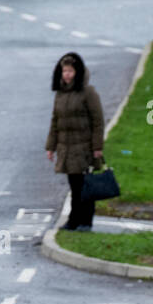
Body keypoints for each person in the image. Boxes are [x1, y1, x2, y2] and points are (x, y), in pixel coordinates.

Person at [45, 52, 104, 231]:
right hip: (66, 147)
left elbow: (98, 120)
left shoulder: (88, 92)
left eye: (70, 71)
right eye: (65, 71)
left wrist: (97, 147)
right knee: (74, 184)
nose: (67, 74)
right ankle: (74, 219)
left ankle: (84, 221)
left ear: (77, 72)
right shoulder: (60, 94)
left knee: (85, 185)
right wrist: (51, 146)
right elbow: (55, 120)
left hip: (84, 147)